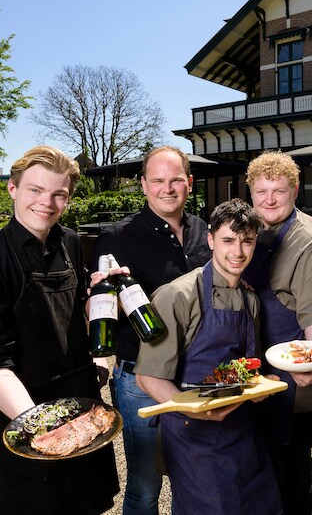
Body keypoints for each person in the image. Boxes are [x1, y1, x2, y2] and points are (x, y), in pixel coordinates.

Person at [0, 145, 118, 514]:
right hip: (28, 418)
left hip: (82, 403)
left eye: (58, 193)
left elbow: (72, 313)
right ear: (13, 189)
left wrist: (105, 300)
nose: (46, 202)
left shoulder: (72, 243)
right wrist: (43, 430)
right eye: (35, 190)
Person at [135, 199, 282, 515]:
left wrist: (262, 384)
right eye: (228, 240)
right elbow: (147, 376)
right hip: (193, 437)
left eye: (247, 241)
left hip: (242, 430)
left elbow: (245, 370)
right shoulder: (176, 296)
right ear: (211, 240)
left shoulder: (250, 299)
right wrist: (197, 412)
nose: (238, 251)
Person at [89, 146, 211, 515]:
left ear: (189, 183)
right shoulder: (116, 239)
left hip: (197, 373)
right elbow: (99, 308)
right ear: (143, 185)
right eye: (157, 180)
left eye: (176, 179)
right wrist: (97, 293)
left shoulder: (204, 230)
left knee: (193, 475)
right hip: (139, 379)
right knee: (145, 485)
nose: (167, 188)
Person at [242, 151, 312, 515]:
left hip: (290, 380)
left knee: (291, 474)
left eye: (278, 191)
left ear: (294, 191)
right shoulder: (255, 230)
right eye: (261, 191)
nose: (269, 199)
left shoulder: (305, 241)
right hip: (256, 372)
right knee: (260, 471)